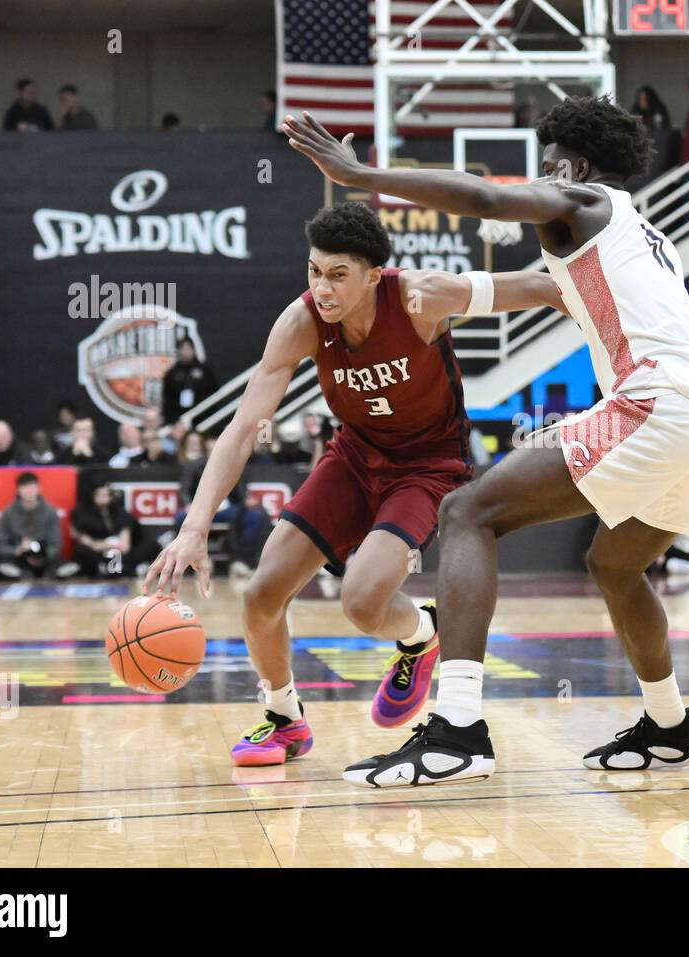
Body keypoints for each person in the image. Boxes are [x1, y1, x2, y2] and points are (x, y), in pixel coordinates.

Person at [283, 96, 689, 784]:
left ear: (579, 165)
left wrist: (361, 174)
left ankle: (458, 730)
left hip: (659, 402)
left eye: (550, 163)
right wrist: (454, 291)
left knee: (468, 511)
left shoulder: (583, 198)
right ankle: (672, 723)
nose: (542, 176)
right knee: (617, 565)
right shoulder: (642, 236)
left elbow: (482, 198)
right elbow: (526, 288)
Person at [142, 198, 567, 769]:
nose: (323, 288)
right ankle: (283, 718)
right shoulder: (301, 322)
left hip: (428, 466)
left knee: (362, 601)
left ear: (374, 275)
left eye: (339, 276)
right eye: (315, 271)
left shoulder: (421, 296)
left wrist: (625, 324)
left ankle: (421, 634)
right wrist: (194, 528)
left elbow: (537, 287)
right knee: (261, 594)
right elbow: (244, 427)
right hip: (353, 457)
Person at [0, 472, 78, 579]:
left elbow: (56, 543)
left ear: (39, 489)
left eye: (32, 487)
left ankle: (55, 572)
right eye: (25, 487)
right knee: (5, 565)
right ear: (18, 490)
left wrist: (43, 554)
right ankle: (19, 573)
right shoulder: (7, 513)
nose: (29, 491)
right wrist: (17, 550)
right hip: (19, 557)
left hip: (45, 556)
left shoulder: (50, 512)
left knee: (58, 564)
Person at [71, 481, 157, 578]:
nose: (103, 497)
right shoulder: (82, 513)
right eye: (99, 494)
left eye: (106, 494)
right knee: (82, 552)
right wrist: (104, 545)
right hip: (98, 552)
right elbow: (86, 541)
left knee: (151, 545)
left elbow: (125, 544)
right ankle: (111, 569)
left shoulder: (118, 511)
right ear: (92, 495)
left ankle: (119, 569)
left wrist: (117, 546)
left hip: (120, 553)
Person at [161, 338, 218, 426]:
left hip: (203, 415)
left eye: (188, 349)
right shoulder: (172, 373)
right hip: (179, 417)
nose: (186, 352)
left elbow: (214, 391)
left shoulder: (205, 370)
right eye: (183, 349)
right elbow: (168, 397)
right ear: (178, 351)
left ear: (194, 350)